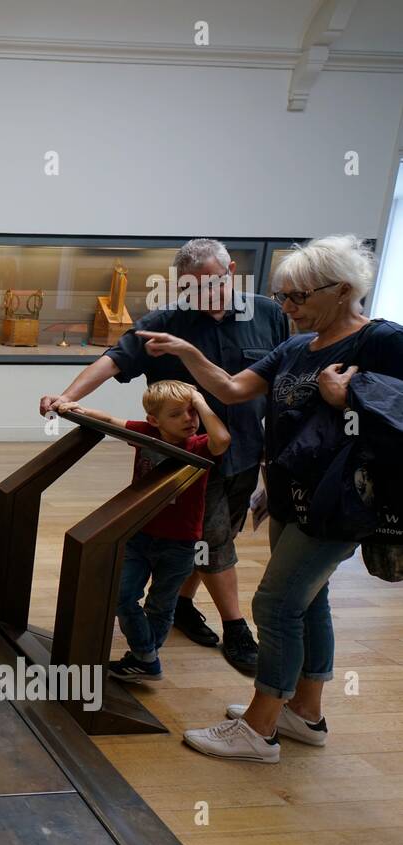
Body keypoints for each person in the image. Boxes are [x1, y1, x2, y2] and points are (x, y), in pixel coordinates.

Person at [136, 235, 403, 762]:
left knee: (276, 604)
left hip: (342, 503)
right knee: (310, 600)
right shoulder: (297, 347)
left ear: (343, 290)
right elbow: (234, 390)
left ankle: (260, 730)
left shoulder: (383, 341)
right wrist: (189, 353)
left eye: (298, 298)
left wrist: (351, 395)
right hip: (289, 495)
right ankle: (305, 712)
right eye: (283, 297)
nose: (286, 308)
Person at [40, 239, 288, 674]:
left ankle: (183, 605)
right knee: (213, 543)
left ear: (231, 269)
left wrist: (277, 454)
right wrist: (66, 397)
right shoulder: (163, 323)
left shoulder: (268, 314)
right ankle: (236, 628)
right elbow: (113, 361)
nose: (203, 296)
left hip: (245, 453)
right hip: (186, 462)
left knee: (210, 538)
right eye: (191, 289)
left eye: (211, 283)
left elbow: (284, 381)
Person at [58, 381, 230, 682]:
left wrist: (201, 402)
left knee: (161, 605)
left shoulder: (199, 445)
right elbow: (112, 421)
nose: (189, 419)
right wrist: (79, 408)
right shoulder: (146, 434)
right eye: (177, 414)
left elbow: (222, 439)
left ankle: (142, 658)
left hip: (181, 543)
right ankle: (147, 655)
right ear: (154, 420)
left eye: (192, 412)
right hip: (138, 535)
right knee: (120, 596)